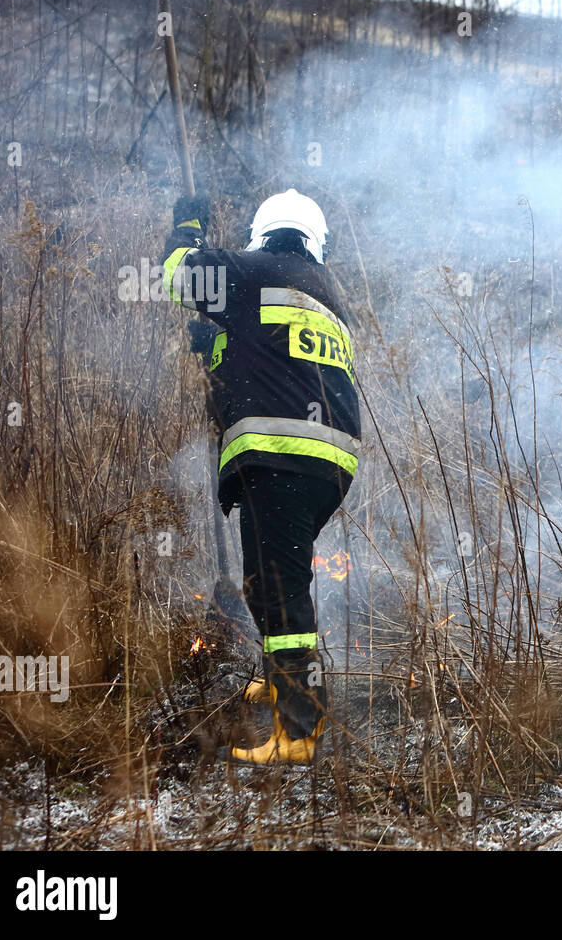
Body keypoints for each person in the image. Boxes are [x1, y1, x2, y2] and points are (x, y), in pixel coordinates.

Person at [162, 188, 361, 765]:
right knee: (271, 579)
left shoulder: (248, 270)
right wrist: (218, 345)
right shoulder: (326, 295)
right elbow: (276, 361)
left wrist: (188, 229)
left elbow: (180, 279)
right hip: (331, 462)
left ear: (263, 232)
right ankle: (285, 681)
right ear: (313, 240)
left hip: (278, 453)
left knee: (279, 587)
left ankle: (298, 731)